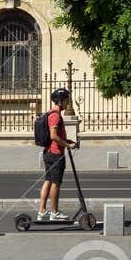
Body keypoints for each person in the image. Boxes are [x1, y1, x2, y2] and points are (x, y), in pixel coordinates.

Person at [38, 88, 78, 221]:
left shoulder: (51, 113)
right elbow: (54, 136)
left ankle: (42, 211)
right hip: (55, 154)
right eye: (66, 100)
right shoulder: (55, 115)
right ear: (60, 101)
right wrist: (68, 145)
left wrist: (68, 141)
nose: (68, 103)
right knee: (56, 183)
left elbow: (57, 136)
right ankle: (54, 212)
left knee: (48, 181)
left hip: (49, 152)